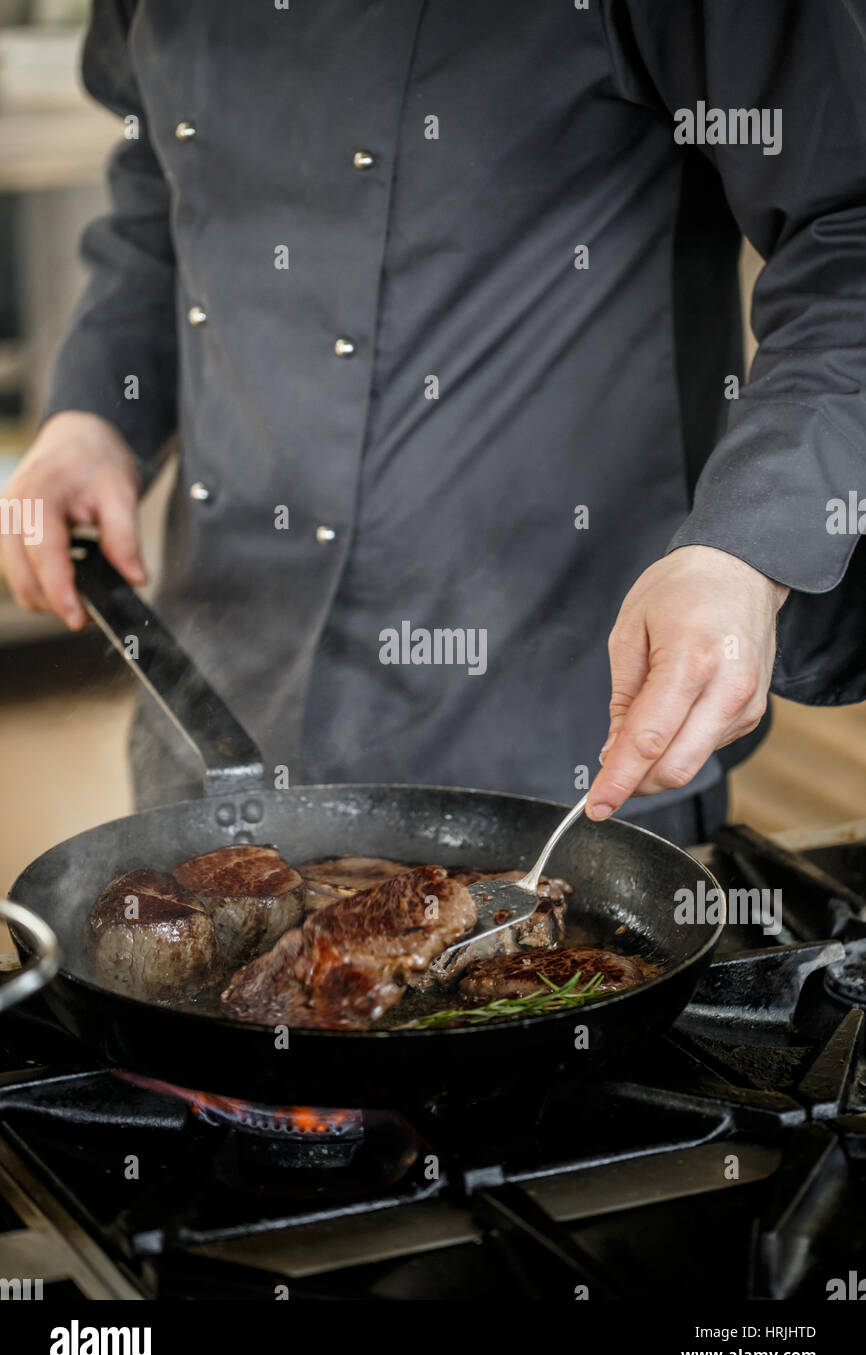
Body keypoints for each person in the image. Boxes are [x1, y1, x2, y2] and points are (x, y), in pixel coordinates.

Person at [2, 1, 865, 847]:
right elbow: (160, 193)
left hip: (554, 735)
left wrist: (748, 548)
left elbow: (849, 232)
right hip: (219, 698)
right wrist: (95, 414)